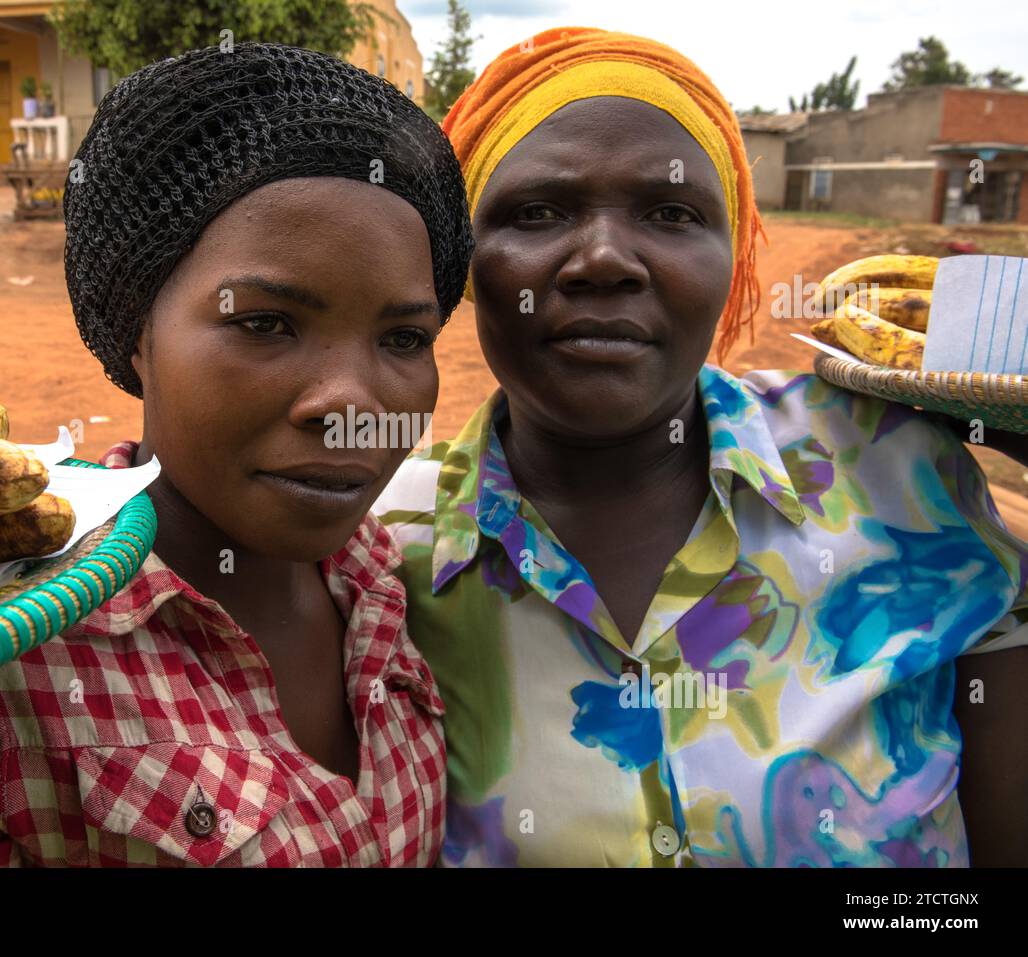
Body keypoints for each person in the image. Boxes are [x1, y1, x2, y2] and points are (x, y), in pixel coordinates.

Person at [0, 43, 471, 867]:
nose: (351, 404)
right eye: (266, 323)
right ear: (137, 331)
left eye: (405, 337)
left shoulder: (388, 579)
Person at [374, 27, 1028, 867]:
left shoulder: (897, 468)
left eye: (672, 212)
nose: (604, 260)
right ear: (459, 263)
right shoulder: (382, 560)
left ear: (732, 254)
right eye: (536, 212)